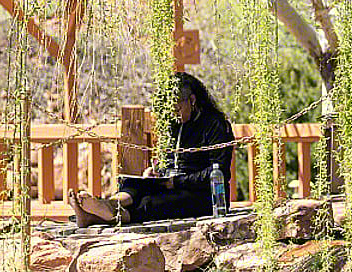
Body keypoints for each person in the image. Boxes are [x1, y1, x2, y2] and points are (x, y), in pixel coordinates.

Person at [68, 72, 235, 226]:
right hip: (170, 184)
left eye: (177, 109)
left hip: (203, 194)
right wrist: (157, 173)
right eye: (170, 111)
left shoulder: (215, 124)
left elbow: (218, 171)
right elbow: (169, 162)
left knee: (153, 202)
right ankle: (108, 205)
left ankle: (102, 212)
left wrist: (176, 182)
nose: (174, 115)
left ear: (192, 100)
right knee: (133, 183)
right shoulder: (173, 125)